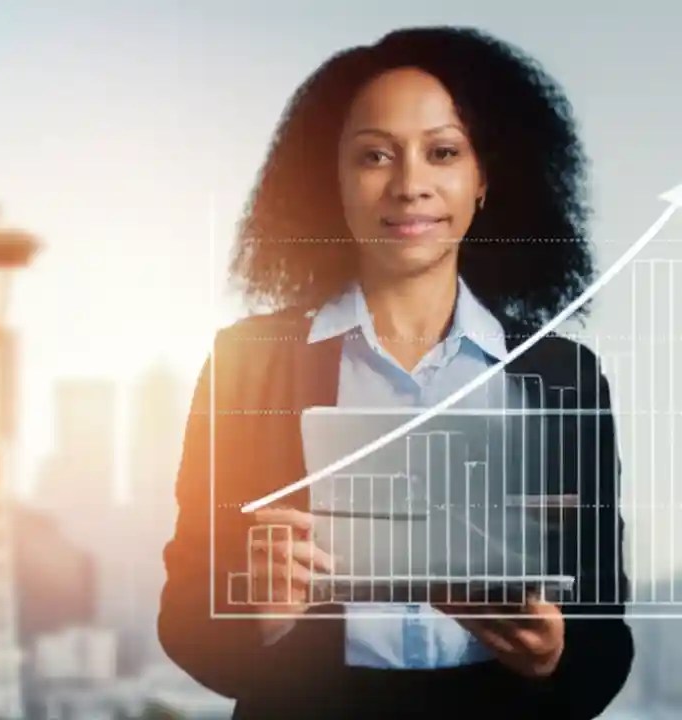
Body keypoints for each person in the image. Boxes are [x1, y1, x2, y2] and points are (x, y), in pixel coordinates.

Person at [158, 26, 632, 718]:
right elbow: (183, 622)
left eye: (443, 152)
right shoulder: (247, 366)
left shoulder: (563, 379)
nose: (411, 185)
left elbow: (607, 643)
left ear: (484, 177)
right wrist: (259, 614)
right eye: (375, 155)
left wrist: (557, 656)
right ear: (334, 180)